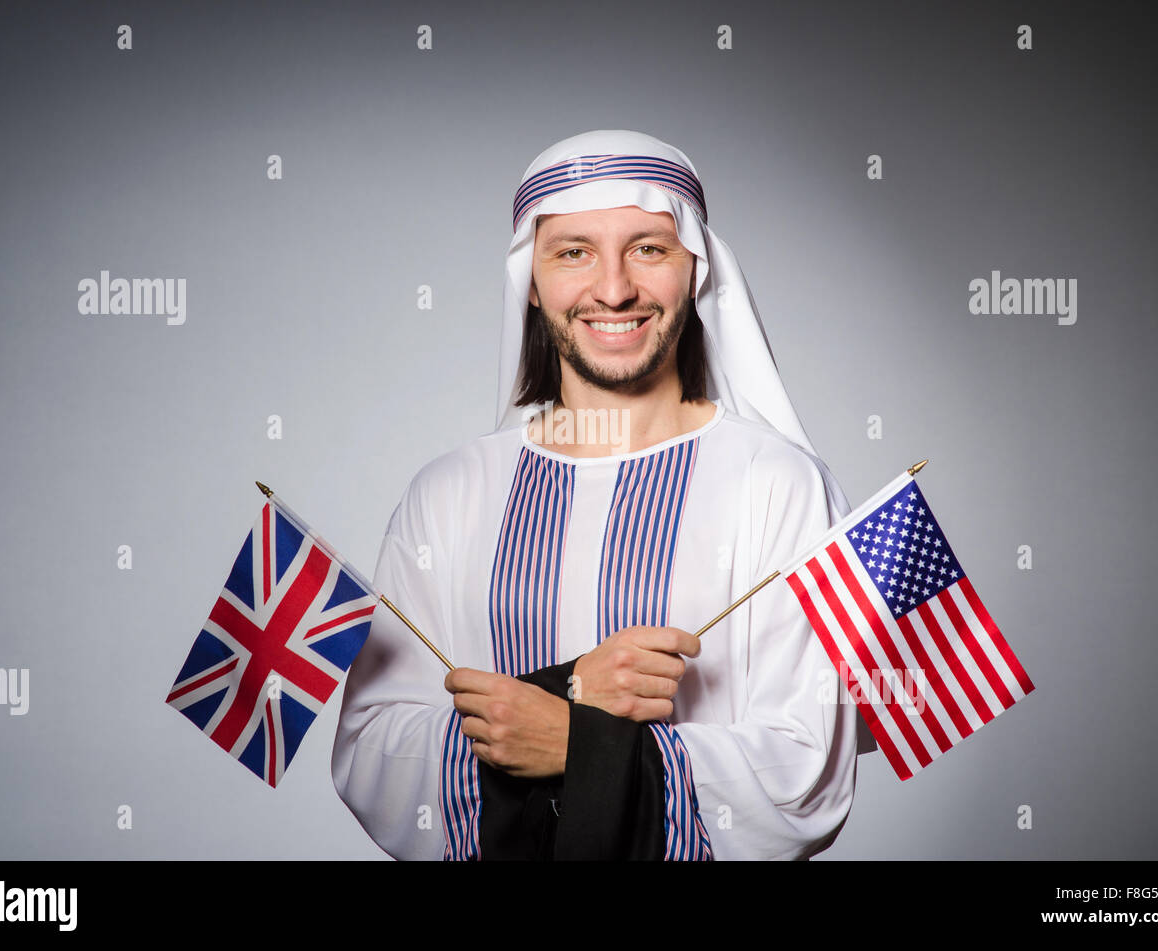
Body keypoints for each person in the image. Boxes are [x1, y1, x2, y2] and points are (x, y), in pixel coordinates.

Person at [331, 129, 868, 860]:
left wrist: (578, 744)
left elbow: (805, 772)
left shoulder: (781, 486)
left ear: (697, 269)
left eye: (649, 248)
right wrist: (573, 696)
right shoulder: (449, 494)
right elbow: (370, 748)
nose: (613, 289)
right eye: (574, 251)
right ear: (531, 277)